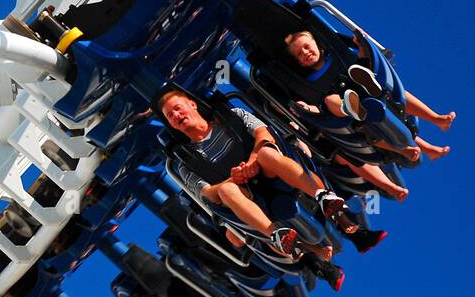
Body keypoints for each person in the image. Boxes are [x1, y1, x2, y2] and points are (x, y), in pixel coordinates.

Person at [157, 89, 377, 270]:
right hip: (246, 195)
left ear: (193, 105)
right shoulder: (184, 160)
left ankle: (324, 198)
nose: (176, 115)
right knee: (225, 192)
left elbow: (264, 134)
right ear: (172, 125)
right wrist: (233, 179)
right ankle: (277, 235)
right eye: (170, 116)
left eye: (177, 108)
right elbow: (206, 192)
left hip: (270, 170)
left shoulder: (233, 115)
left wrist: (253, 160)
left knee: (265, 152)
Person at [283, 29, 455, 179]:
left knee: (389, 93)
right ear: (298, 62)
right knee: (348, 115)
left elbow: (361, 56)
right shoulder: (307, 82)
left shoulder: (336, 52)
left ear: (317, 44)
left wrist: (362, 45)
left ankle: (436, 119)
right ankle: (403, 148)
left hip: (362, 86)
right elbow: (314, 108)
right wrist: (305, 108)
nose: (305, 53)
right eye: (299, 54)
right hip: (349, 112)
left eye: (306, 47)